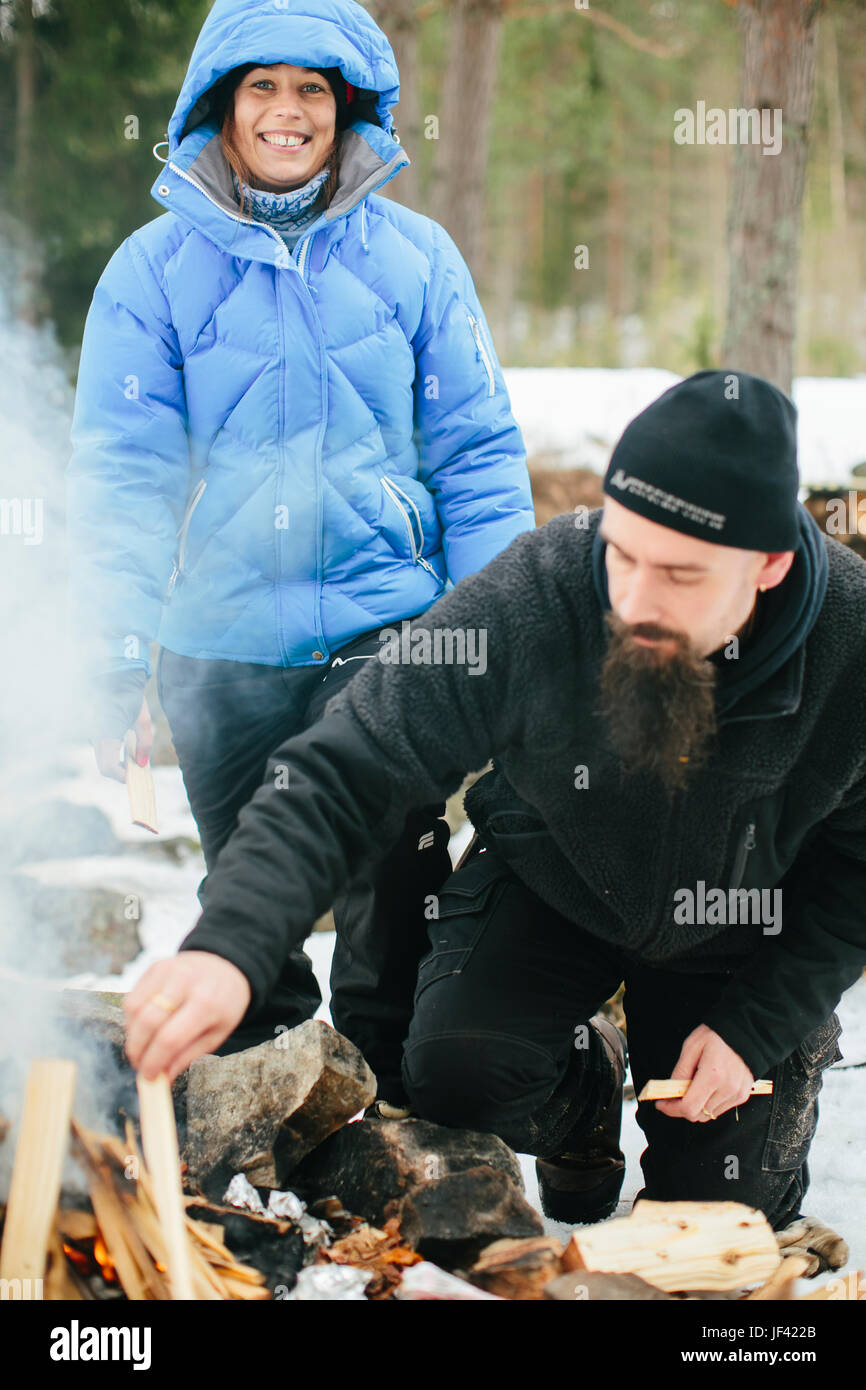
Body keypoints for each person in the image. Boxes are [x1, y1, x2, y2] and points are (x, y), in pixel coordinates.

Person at [126, 370, 866, 1258]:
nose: (632, 602)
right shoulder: (540, 593)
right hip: (556, 880)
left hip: (742, 929)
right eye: (623, 555)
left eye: (679, 576)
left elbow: (858, 872)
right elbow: (353, 760)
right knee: (457, 1073)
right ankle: (588, 1095)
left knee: (721, 1224)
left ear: (771, 563)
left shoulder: (852, 648)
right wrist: (231, 943)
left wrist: (758, 1029)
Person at [66, 0, 534, 1103]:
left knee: (390, 908)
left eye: (313, 89)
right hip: (217, 646)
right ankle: (270, 1129)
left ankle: (402, 1141)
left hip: (386, 631)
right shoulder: (150, 270)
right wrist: (115, 660)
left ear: (349, 107)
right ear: (219, 105)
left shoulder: (417, 259)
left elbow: (474, 453)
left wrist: (500, 639)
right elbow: (123, 481)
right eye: (261, 86)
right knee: (250, 915)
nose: (287, 110)